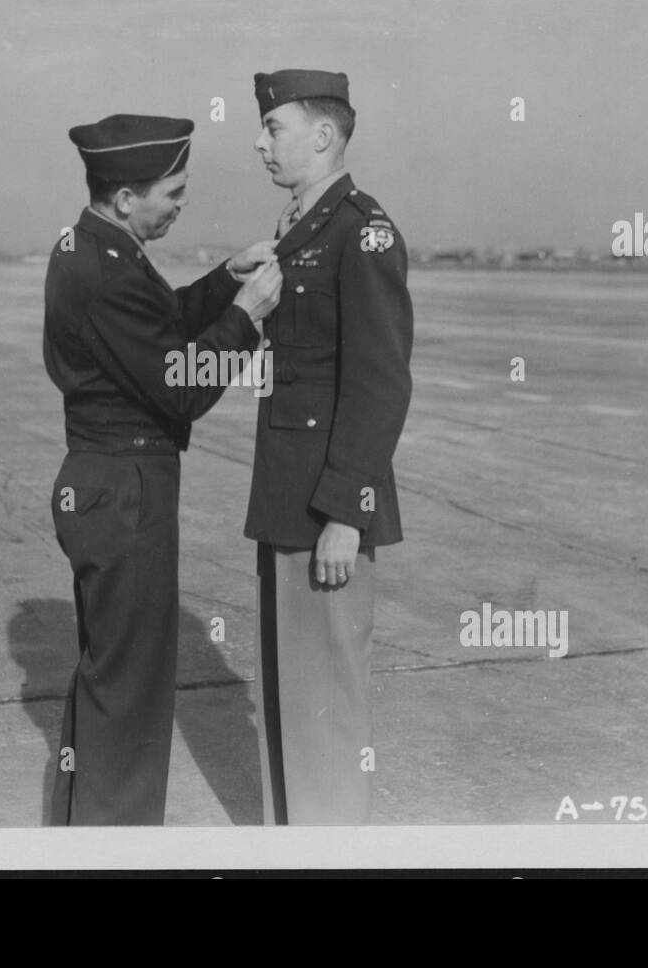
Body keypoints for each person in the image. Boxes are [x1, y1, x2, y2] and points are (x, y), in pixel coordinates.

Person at [44, 114, 282, 825]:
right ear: (125, 196)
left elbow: (153, 323)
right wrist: (245, 315)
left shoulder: (91, 247)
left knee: (108, 682)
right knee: (133, 698)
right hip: (126, 493)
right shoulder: (109, 268)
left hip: (102, 481)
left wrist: (220, 282)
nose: (181, 203)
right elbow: (179, 384)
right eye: (171, 191)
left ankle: (81, 839)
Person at [245, 70, 414, 824]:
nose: (260, 141)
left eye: (274, 125)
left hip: (327, 510)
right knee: (291, 705)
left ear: (323, 135)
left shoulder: (361, 229)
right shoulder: (298, 226)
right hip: (288, 501)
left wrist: (348, 510)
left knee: (328, 712)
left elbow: (381, 383)